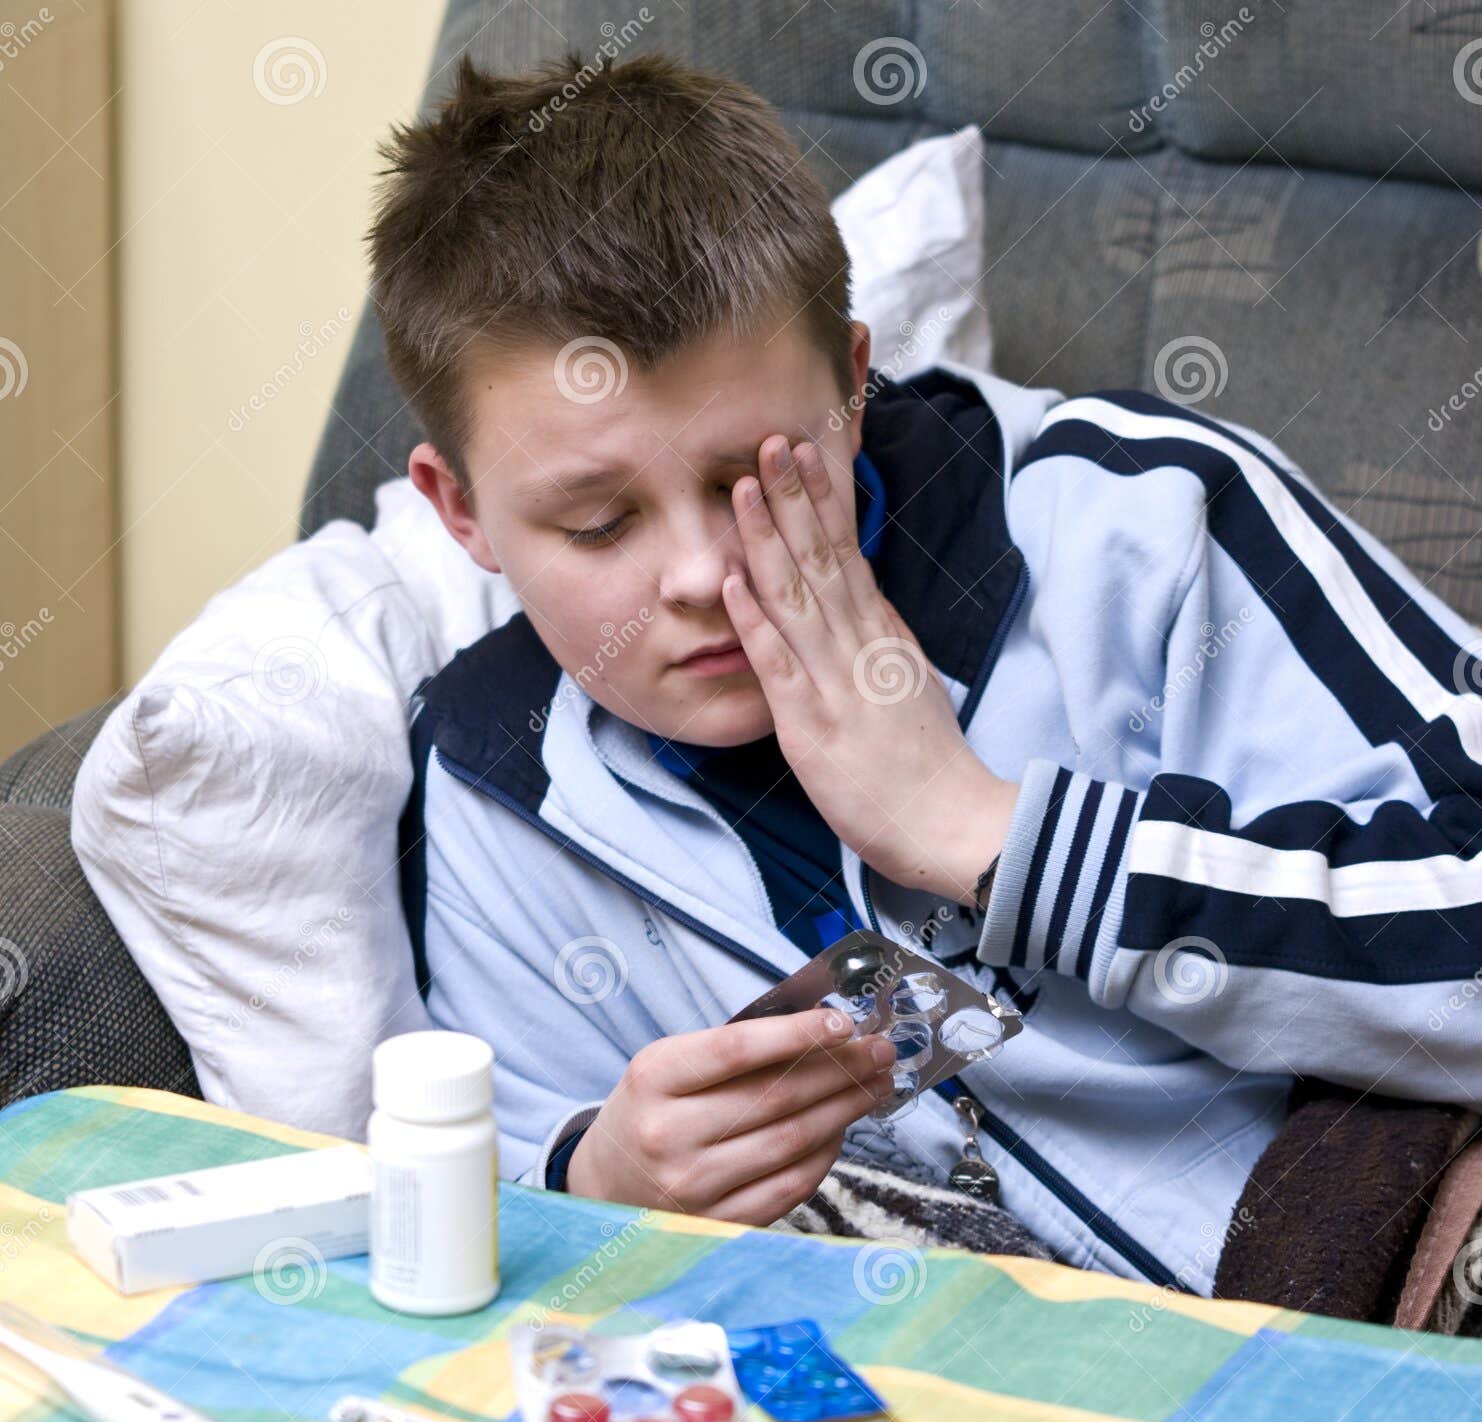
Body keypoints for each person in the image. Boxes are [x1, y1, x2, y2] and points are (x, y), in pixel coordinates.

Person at [376, 51, 1482, 1293]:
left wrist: (992, 833)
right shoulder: (490, 786)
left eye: (756, 477)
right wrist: (600, 1182)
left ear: (854, 384)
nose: (697, 573)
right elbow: (495, 1237)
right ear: (460, 509)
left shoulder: (1146, 526)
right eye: (596, 525)